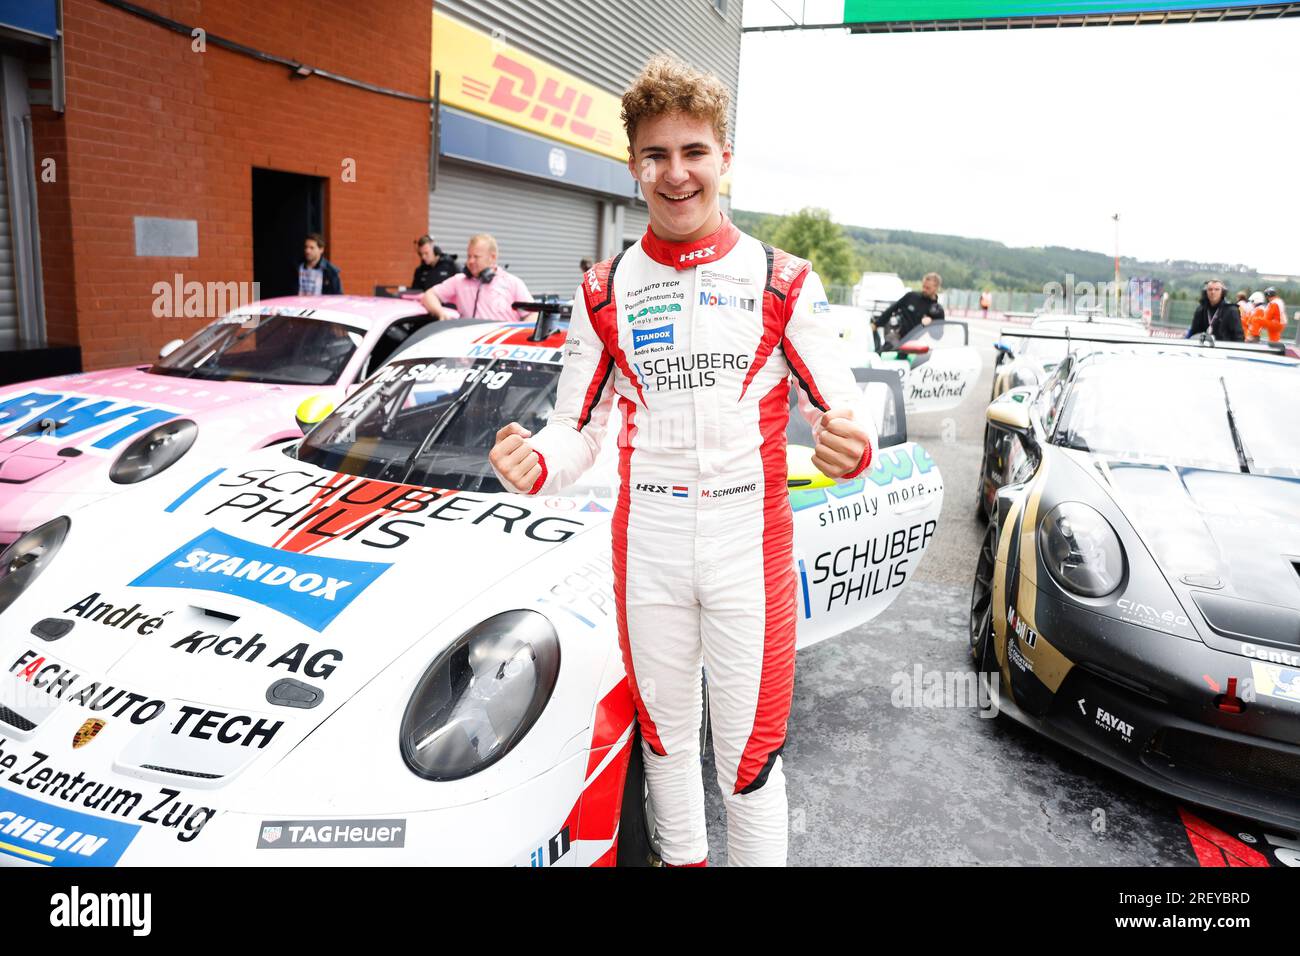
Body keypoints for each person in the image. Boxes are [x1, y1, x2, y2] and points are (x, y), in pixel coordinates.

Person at [488, 55, 874, 867]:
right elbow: (577, 428)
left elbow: (844, 416)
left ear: (723, 159)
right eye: (656, 155)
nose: (676, 173)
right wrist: (536, 462)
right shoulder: (604, 288)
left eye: (693, 151)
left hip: (749, 543)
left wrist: (851, 447)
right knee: (664, 744)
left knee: (749, 757)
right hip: (649, 542)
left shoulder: (783, 279)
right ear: (633, 168)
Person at [419, 234, 533, 322]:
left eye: (476, 257)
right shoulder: (459, 281)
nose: (470, 261)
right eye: (469, 256)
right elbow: (429, 295)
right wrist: (440, 313)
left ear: (492, 257)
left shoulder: (513, 283)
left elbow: (533, 314)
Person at [876, 272, 944, 341]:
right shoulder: (911, 296)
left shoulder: (937, 311)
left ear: (936, 288)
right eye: (923, 286)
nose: (924, 290)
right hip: (896, 337)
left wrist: (930, 325)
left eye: (927, 288)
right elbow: (891, 309)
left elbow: (938, 337)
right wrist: (876, 324)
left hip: (915, 344)